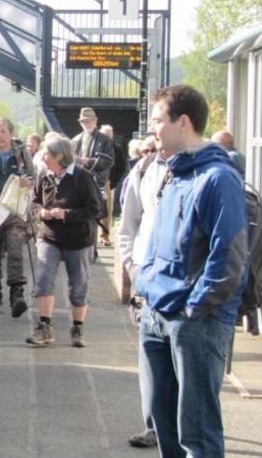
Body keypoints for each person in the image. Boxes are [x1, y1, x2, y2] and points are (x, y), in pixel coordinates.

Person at [136, 84, 247, 457]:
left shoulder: (218, 178)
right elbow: (156, 236)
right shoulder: (173, 172)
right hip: (156, 312)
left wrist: (194, 307)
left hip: (193, 322)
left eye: (157, 120)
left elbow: (229, 256)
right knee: (162, 419)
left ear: (183, 122)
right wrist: (146, 282)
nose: (151, 128)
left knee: (196, 432)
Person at [117, 134, 170, 450]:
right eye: (146, 150)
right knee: (151, 362)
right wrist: (132, 267)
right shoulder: (141, 173)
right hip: (146, 284)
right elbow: (128, 225)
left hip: (178, 288)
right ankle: (153, 425)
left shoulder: (193, 173)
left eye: (154, 148)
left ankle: (171, 425)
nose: (151, 153)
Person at [26, 134, 101, 348]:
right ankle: (44, 327)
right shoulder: (44, 175)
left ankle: (77, 327)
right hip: (49, 236)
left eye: (47, 154)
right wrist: (41, 212)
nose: (43, 158)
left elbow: (95, 209)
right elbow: (35, 201)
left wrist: (66, 214)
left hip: (78, 239)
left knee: (78, 285)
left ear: (59, 156)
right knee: (44, 279)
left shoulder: (82, 177)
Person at [0, 117, 36, 318]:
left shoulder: (21, 154)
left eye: (3, 131)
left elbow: (34, 177)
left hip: (14, 211)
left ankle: (17, 294)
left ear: (11, 134)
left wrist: (27, 182)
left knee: (15, 251)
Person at [70, 107, 114, 247]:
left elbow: (109, 161)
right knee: (80, 215)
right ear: (80, 123)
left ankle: (93, 247)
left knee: (96, 215)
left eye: (89, 120)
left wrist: (89, 161)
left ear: (95, 121)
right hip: (78, 184)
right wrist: (78, 160)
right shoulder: (75, 140)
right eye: (84, 121)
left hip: (97, 183)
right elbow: (68, 162)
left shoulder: (105, 140)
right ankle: (81, 245)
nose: (87, 123)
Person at [101, 124, 129, 219]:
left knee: (108, 208)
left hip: (109, 183)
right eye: (105, 134)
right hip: (94, 182)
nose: (107, 136)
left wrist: (113, 183)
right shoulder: (96, 146)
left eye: (109, 134)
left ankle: (106, 231)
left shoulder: (117, 149)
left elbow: (121, 168)